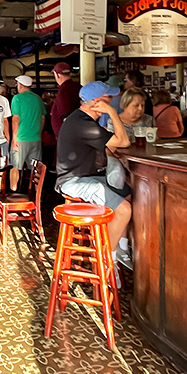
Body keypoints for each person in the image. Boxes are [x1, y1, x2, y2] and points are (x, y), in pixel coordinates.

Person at [55, 82, 131, 259]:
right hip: (73, 182)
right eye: (109, 98)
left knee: (129, 195)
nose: (113, 101)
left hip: (84, 177)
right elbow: (124, 141)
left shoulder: (81, 119)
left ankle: (121, 246)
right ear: (98, 102)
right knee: (124, 210)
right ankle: (108, 261)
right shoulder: (84, 124)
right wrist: (112, 113)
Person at [10, 75, 46, 190]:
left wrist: (14, 139)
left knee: (16, 167)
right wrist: (38, 132)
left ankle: (13, 191)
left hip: (21, 138)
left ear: (20, 85)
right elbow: (42, 118)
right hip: (35, 138)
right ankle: (37, 193)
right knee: (35, 169)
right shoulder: (38, 99)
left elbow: (15, 119)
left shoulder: (17, 98)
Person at [50, 62, 80, 137]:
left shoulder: (63, 91)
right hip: (76, 129)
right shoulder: (77, 86)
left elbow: (65, 115)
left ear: (57, 75)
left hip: (66, 134)